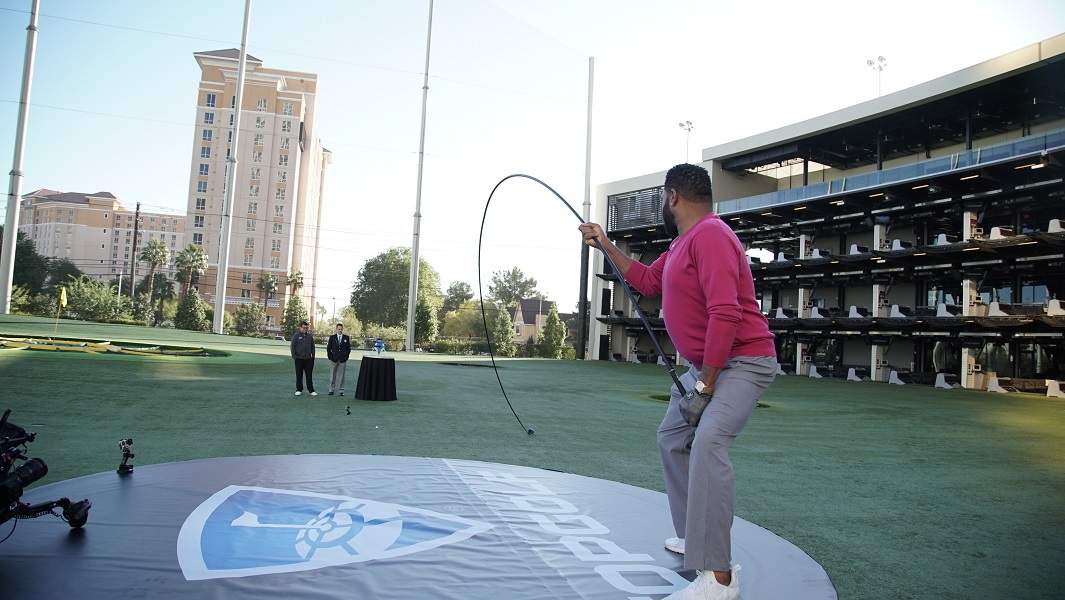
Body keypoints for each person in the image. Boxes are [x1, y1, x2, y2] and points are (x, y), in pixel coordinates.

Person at [579, 164, 777, 600]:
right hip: (707, 366)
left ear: (672, 197)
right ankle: (695, 537)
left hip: (743, 364)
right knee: (673, 436)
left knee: (708, 444)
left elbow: (727, 313)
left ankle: (721, 577)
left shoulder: (711, 235)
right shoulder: (684, 241)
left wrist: (705, 386)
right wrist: (605, 244)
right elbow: (648, 281)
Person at [290, 320, 317, 397]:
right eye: (304, 327)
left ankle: (311, 390)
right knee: (299, 375)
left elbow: (313, 347)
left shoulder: (310, 336)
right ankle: (299, 389)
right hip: (299, 359)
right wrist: (294, 357)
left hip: (309, 360)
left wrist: (313, 357)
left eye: (306, 328)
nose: (305, 329)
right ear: (300, 327)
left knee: (309, 375)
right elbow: (292, 347)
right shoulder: (296, 336)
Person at [326, 323, 352, 396]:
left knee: (342, 376)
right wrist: (330, 357)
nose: (340, 330)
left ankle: (341, 390)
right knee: (332, 375)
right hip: (333, 359)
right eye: (338, 329)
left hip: (342, 360)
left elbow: (348, 349)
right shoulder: (332, 337)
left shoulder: (346, 337)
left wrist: (346, 357)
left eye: (341, 329)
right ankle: (331, 390)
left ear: (342, 329)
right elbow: (328, 348)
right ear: (336, 329)